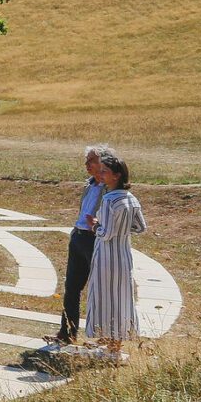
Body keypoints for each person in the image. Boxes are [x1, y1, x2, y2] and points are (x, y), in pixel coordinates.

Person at [85, 150, 144, 360]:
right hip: (124, 255)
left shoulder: (110, 200)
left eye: (104, 171)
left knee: (105, 299)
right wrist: (122, 230)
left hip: (106, 257)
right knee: (121, 299)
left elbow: (105, 233)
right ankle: (115, 346)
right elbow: (140, 227)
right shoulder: (131, 199)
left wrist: (95, 226)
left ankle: (111, 349)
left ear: (116, 175)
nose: (101, 175)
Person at [48, 145, 109, 346]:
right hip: (79, 237)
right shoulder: (89, 185)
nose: (87, 165)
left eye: (91, 160)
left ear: (103, 161)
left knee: (101, 289)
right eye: (87, 160)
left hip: (96, 240)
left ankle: (105, 336)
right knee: (71, 287)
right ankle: (67, 333)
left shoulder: (111, 188)